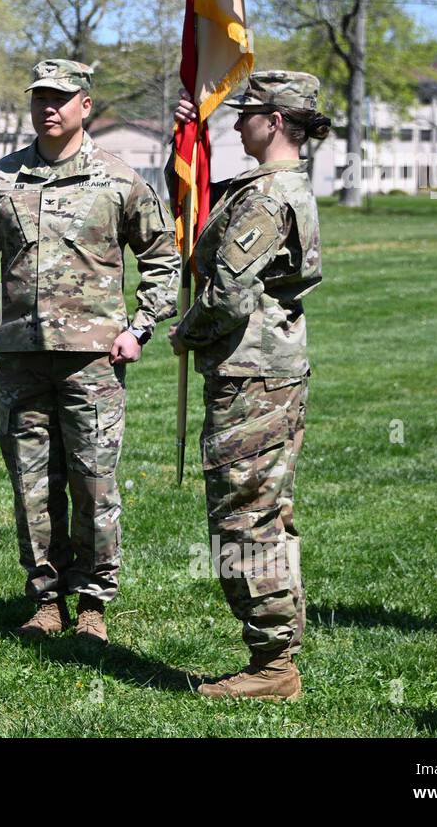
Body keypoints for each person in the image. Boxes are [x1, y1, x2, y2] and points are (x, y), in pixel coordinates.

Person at [0, 59, 179, 646]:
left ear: (85, 105)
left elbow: (163, 259)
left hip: (95, 360)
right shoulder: (1, 180)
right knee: (32, 485)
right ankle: (44, 598)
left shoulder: (120, 179)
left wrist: (139, 327)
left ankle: (92, 601)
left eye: (61, 98)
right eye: (40, 97)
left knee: (94, 484)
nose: (49, 107)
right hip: (20, 358)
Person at [169, 70, 328, 700]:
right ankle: (277, 650)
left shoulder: (268, 197)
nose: (238, 123)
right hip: (264, 372)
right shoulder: (272, 186)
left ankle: (272, 664)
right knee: (265, 512)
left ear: (278, 122)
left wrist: (188, 330)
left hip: (252, 376)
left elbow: (229, 295)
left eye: (249, 113)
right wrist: (186, 136)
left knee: (245, 518)